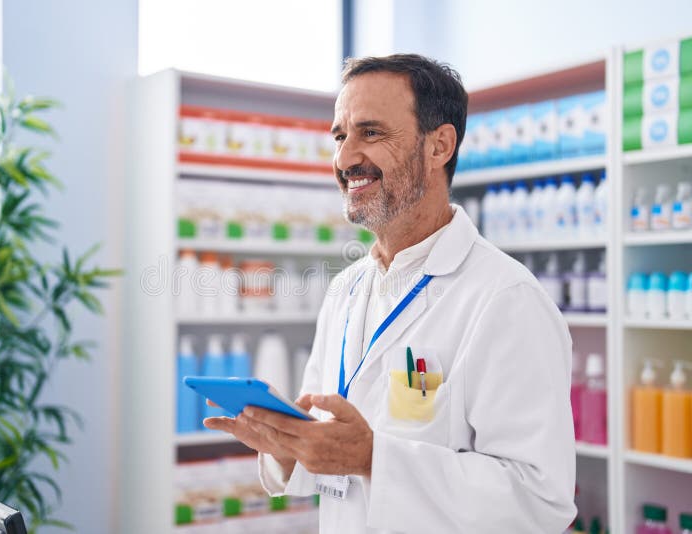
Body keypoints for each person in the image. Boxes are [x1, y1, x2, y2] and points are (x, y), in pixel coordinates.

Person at [204, 54, 576, 533]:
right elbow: (333, 460)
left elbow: (540, 499)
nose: (344, 158)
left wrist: (375, 459)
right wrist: (289, 445)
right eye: (340, 136)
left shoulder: (506, 299)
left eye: (371, 133)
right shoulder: (345, 289)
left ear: (439, 145)